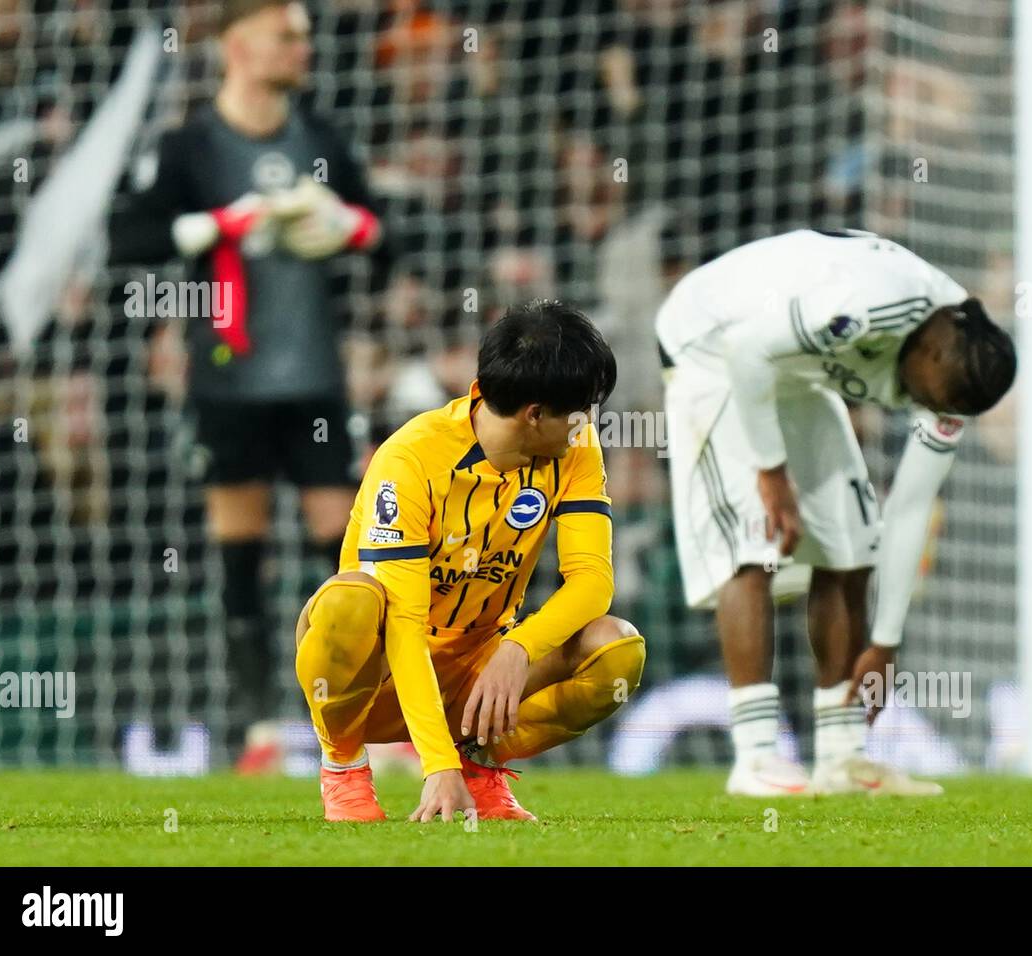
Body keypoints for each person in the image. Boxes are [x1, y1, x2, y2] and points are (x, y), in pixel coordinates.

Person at [107, 0, 383, 761]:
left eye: (302, 35)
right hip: (227, 380)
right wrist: (212, 225)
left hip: (316, 380)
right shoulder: (191, 147)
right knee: (242, 552)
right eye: (286, 34)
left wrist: (351, 228)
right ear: (237, 44)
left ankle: (363, 721)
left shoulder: (319, 140)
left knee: (347, 551)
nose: (302, 46)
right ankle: (259, 727)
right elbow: (127, 238)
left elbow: (384, 231)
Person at [656, 228, 1016, 796]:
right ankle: (754, 756)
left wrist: (887, 643)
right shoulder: (865, 306)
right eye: (933, 396)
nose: (932, 410)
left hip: (793, 366)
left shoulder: (956, 379)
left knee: (851, 543)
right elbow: (748, 350)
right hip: (714, 341)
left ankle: (842, 754)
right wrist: (770, 474)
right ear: (931, 348)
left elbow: (909, 511)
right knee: (755, 538)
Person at [294, 300, 646, 822]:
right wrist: (435, 765)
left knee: (615, 650)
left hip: (480, 672)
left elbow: (592, 580)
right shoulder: (411, 458)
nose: (587, 423)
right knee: (352, 600)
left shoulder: (577, 449)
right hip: (382, 678)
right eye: (581, 410)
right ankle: (343, 764)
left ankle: (480, 764)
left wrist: (519, 648)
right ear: (534, 414)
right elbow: (405, 623)